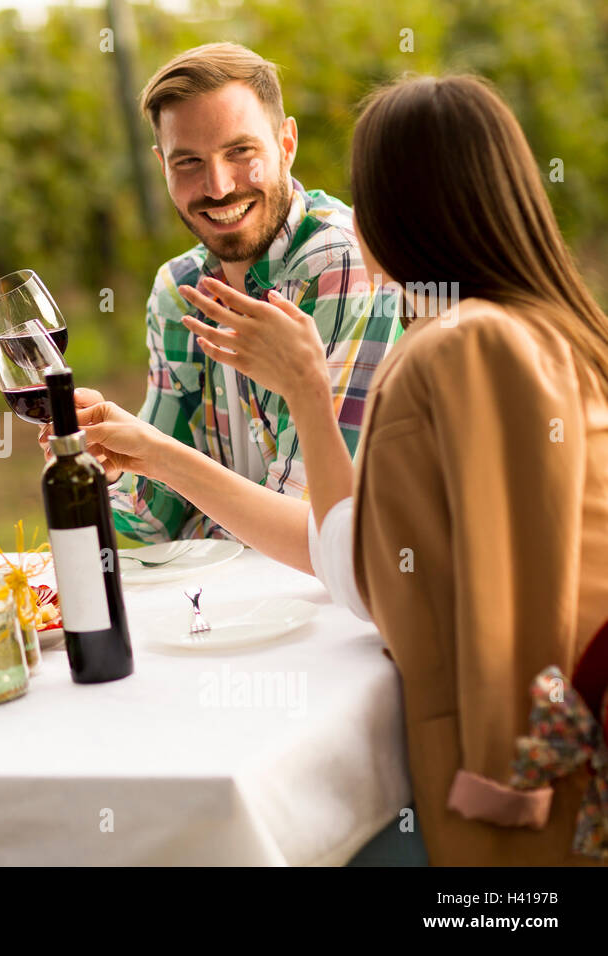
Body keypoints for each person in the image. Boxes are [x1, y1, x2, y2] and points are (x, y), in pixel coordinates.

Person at [83, 74, 608, 865]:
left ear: (395, 213)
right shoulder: (547, 325)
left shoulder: (461, 348)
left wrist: (303, 392)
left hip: (535, 789)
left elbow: (372, 584)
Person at [40, 43, 399, 568]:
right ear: (163, 166)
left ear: (286, 143)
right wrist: (110, 463)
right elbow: (155, 519)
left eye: (240, 152)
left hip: (353, 603)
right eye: (189, 161)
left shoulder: (338, 265)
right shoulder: (177, 288)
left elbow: (310, 525)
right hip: (241, 609)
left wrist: (164, 460)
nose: (218, 186)